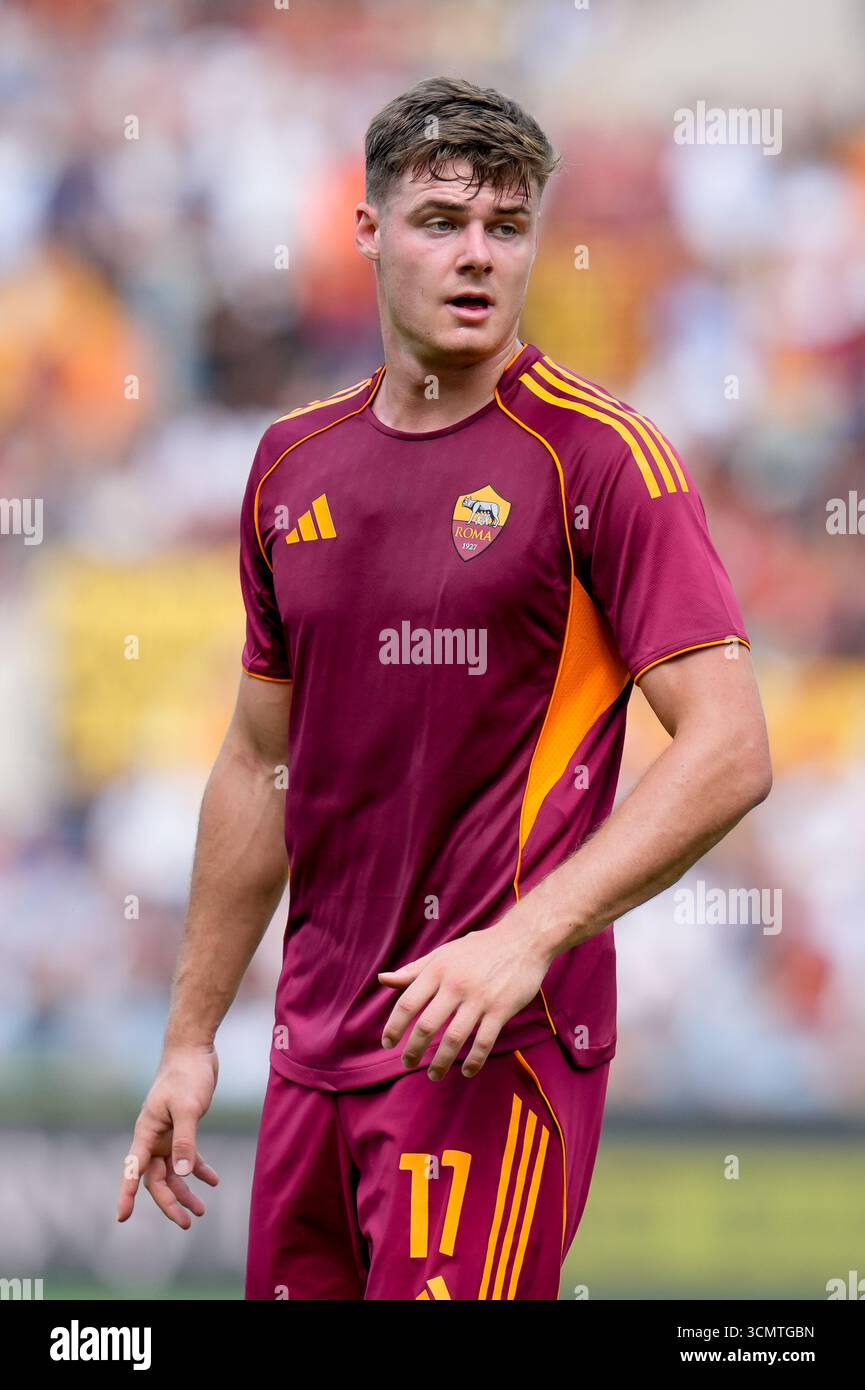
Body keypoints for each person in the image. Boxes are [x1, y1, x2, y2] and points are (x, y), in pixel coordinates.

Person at [116, 76, 772, 1300]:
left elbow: (729, 749)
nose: (477, 257)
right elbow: (259, 763)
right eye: (440, 222)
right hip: (311, 1053)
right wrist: (191, 1039)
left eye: (506, 228)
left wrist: (519, 942)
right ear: (365, 232)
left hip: (490, 1047)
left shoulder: (601, 457)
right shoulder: (289, 464)